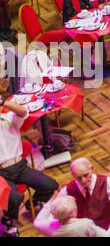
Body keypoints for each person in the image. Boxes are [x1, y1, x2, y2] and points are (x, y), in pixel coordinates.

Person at [0, 95, 58, 234]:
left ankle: (33, 201)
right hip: (1, 172)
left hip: (19, 166)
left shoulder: (8, 118)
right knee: (13, 197)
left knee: (51, 185)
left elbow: (24, 112)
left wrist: (4, 102)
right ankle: (9, 221)